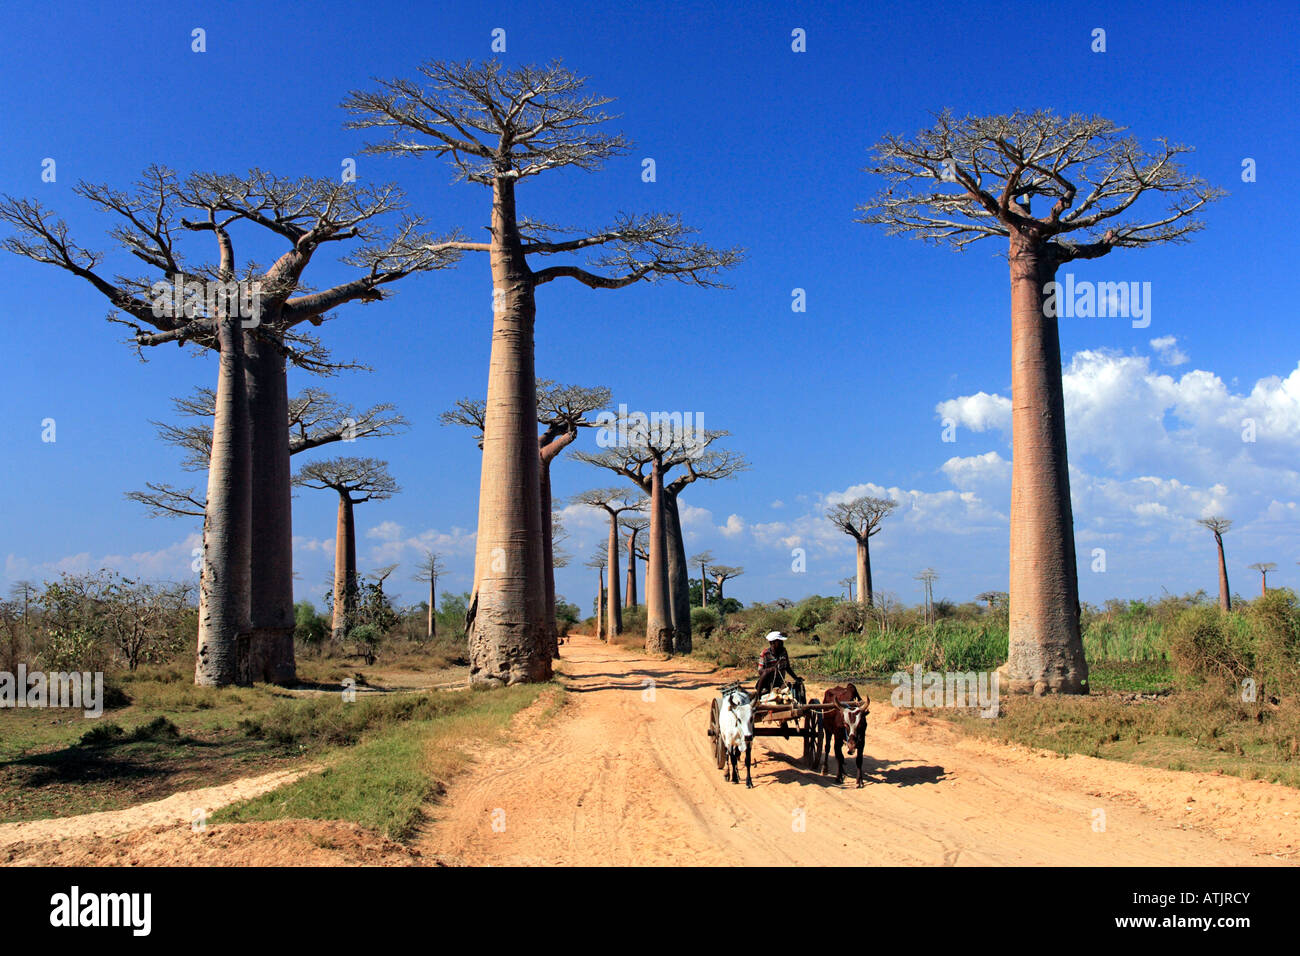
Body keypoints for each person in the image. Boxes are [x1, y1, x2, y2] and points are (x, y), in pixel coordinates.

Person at [755, 631, 798, 699]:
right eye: (779, 641)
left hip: (779, 682)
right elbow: (760, 671)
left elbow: (787, 667)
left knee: (788, 686)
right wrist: (771, 670)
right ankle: (758, 695)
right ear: (772, 643)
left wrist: (796, 678)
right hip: (766, 683)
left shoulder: (784, 652)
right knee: (765, 672)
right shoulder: (764, 654)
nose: (782, 643)